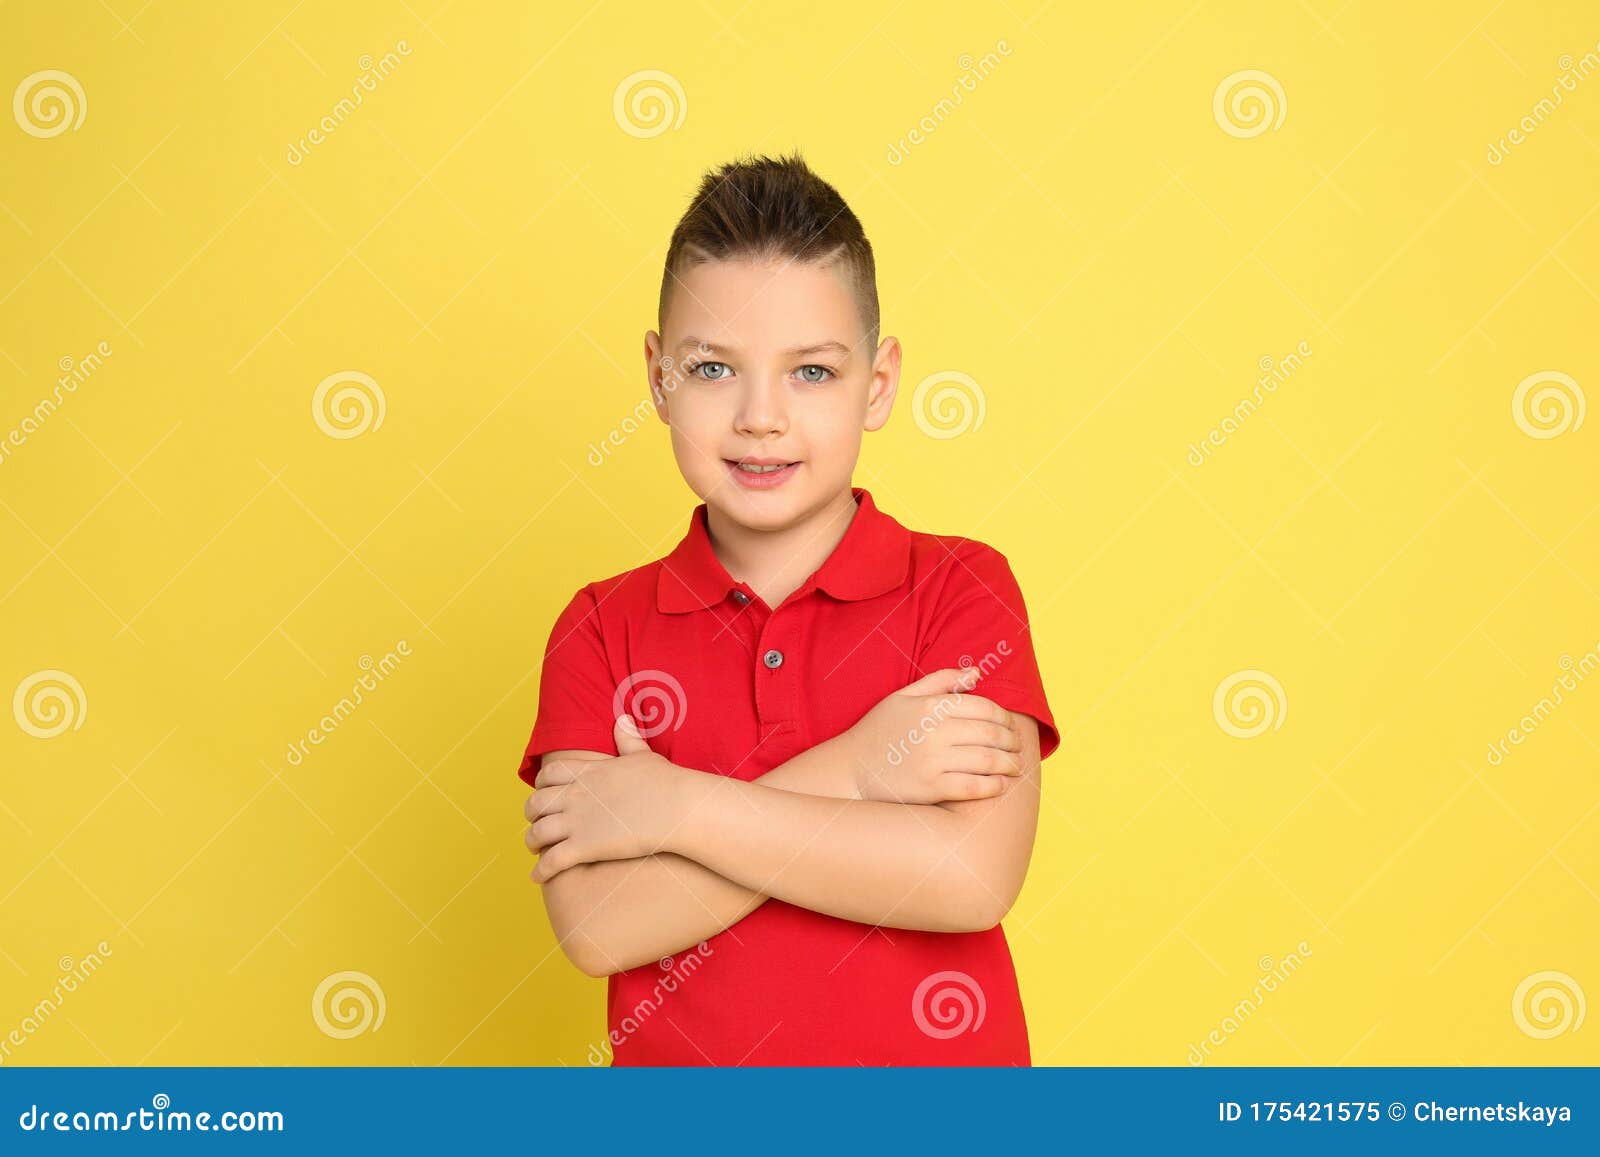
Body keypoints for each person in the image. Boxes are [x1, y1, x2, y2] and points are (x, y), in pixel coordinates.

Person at [518, 151, 1059, 1065]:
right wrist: (858, 771)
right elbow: (601, 928)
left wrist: (669, 807)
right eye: (714, 368)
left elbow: (969, 877)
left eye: (810, 372)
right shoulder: (600, 627)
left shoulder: (962, 588)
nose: (761, 417)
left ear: (877, 383)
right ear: (657, 377)